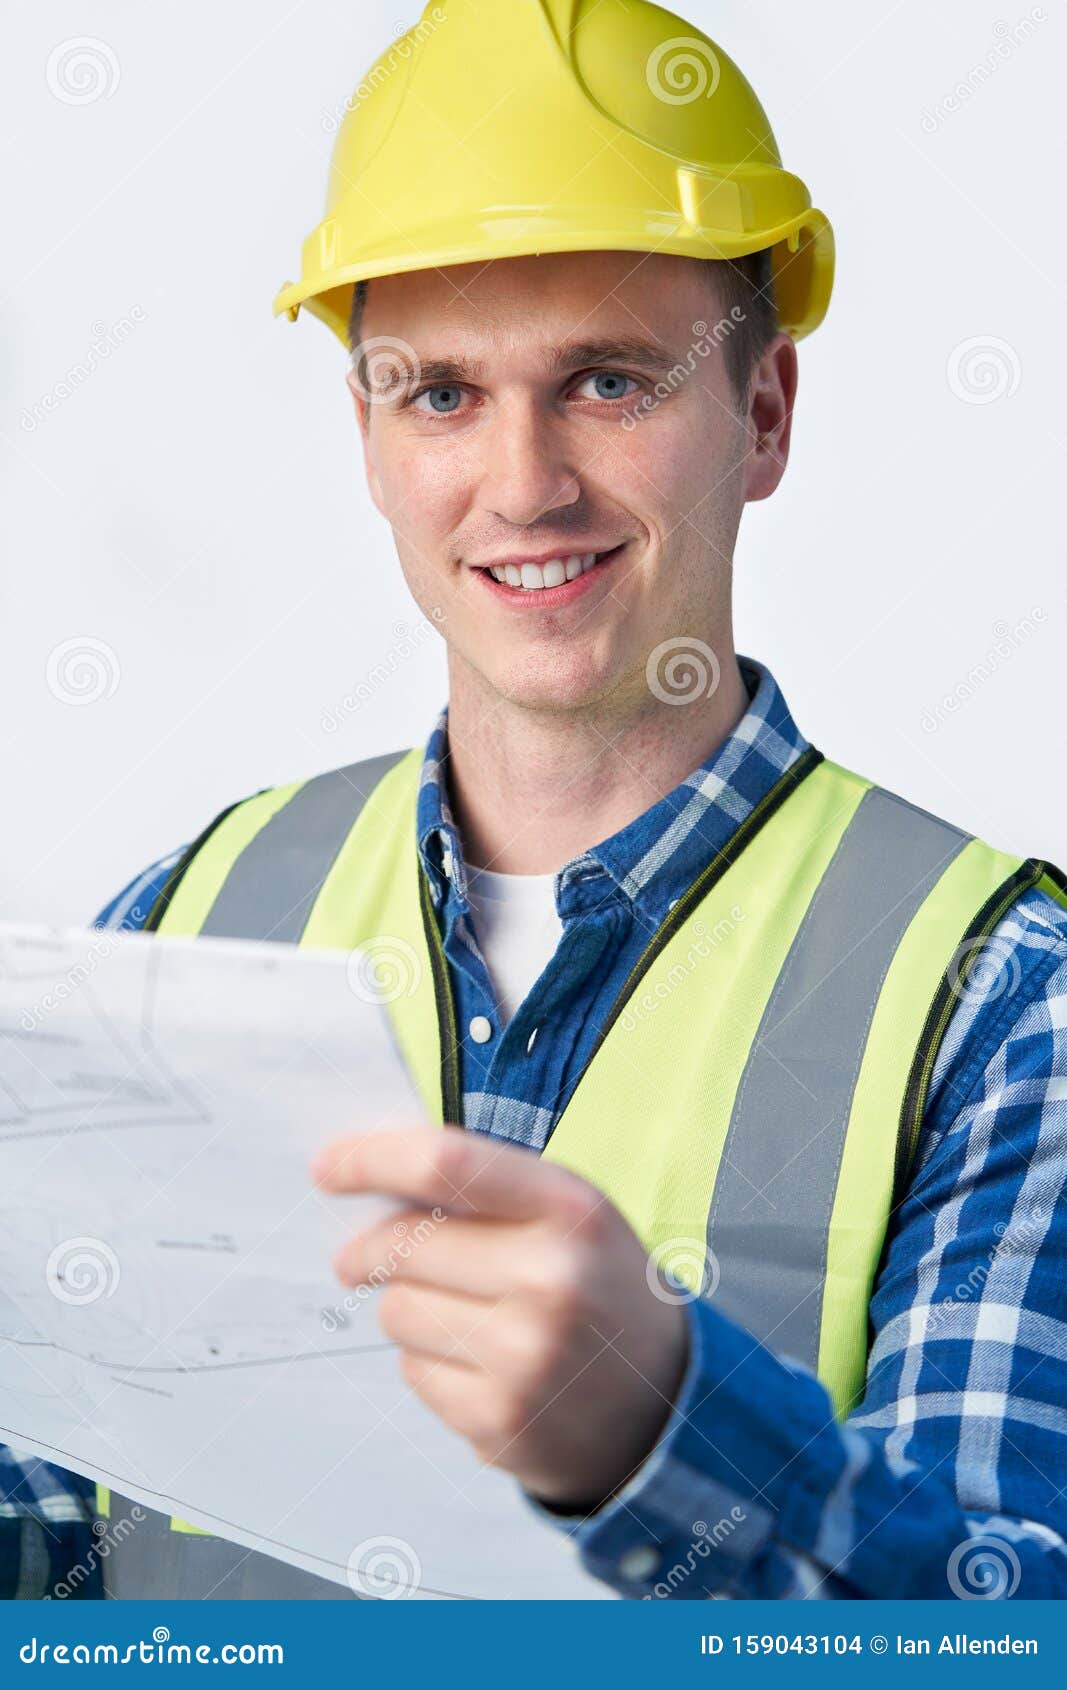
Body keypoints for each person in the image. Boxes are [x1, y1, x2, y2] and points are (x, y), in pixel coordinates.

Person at [8, 0, 1066, 1602]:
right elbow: (50, 1558)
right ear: (366, 435)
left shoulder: (997, 999)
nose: (521, 485)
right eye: (439, 392)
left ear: (763, 414)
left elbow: (1009, 1622)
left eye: (608, 382)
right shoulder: (180, 925)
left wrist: (664, 1427)